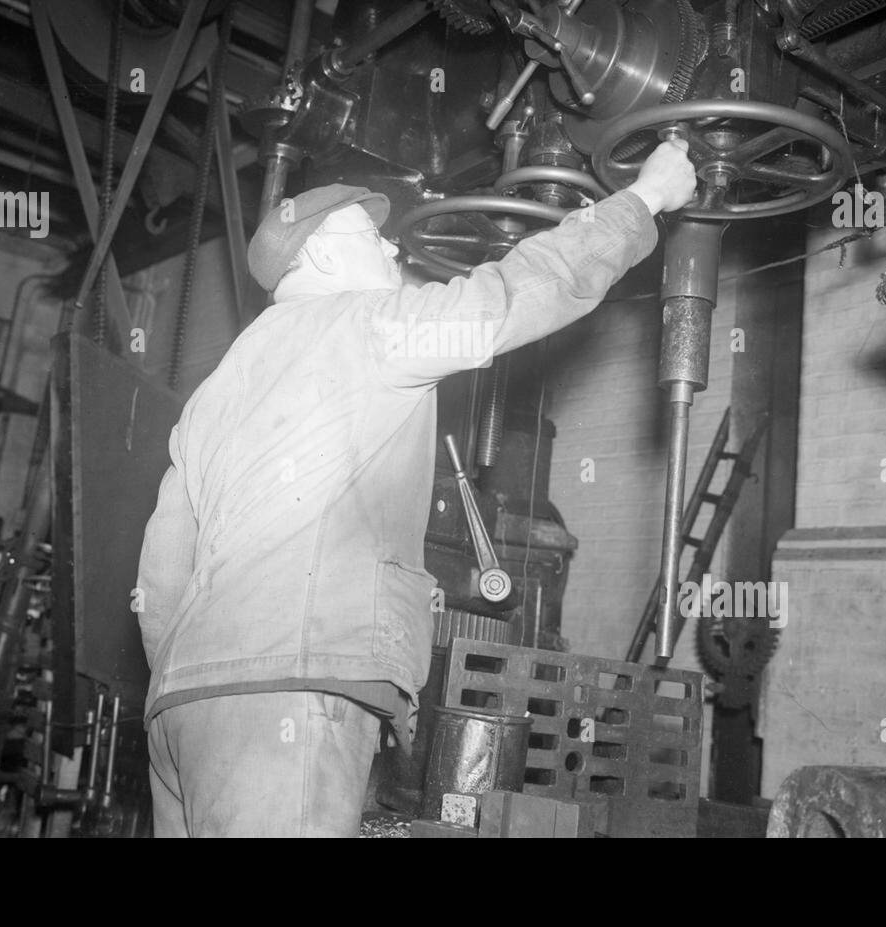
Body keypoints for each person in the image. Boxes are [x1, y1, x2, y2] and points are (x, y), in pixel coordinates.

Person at [136, 139, 697, 836]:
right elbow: (503, 301)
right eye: (375, 237)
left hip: (178, 712)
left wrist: (201, 675)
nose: (396, 253)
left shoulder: (211, 394)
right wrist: (642, 200)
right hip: (290, 703)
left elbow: (160, 580)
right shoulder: (364, 325)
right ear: (322, 254)